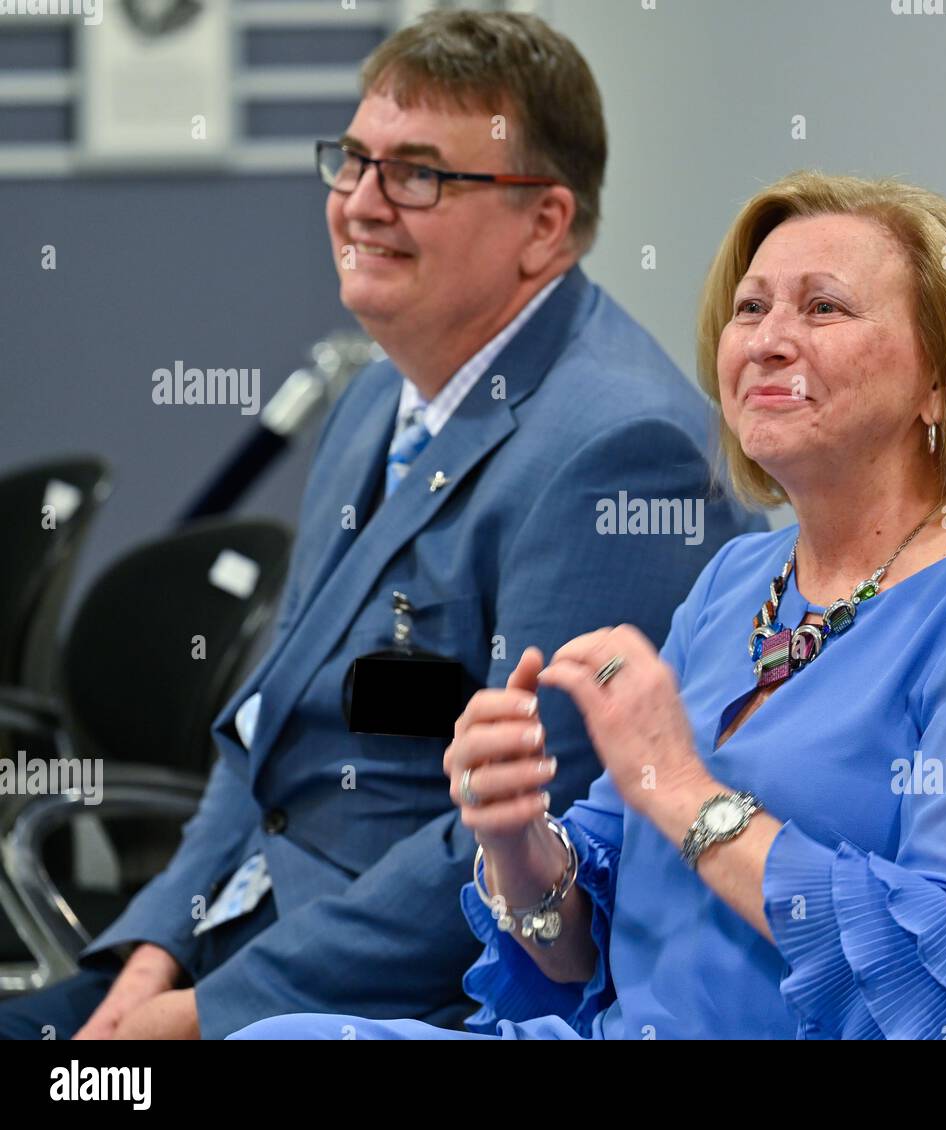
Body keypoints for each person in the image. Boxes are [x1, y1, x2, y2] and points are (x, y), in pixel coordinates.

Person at [232, 171, 946, 1041]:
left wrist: (681, 789)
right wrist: (515, 839)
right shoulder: (737, 582)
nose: (767, 340)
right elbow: (579, 950)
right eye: (750, 308)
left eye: (824, 308)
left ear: (941, 381)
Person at [0, 10, 761, 1041]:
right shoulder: (376, 397)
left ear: (544, 223)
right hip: (230, 948)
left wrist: (202, 1014)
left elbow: (525, 842)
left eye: (417, 174)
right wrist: (149, 955)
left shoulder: (620, 451)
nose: (360, 202)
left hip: (397, 1001)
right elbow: (263, 731)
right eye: (352, 160)